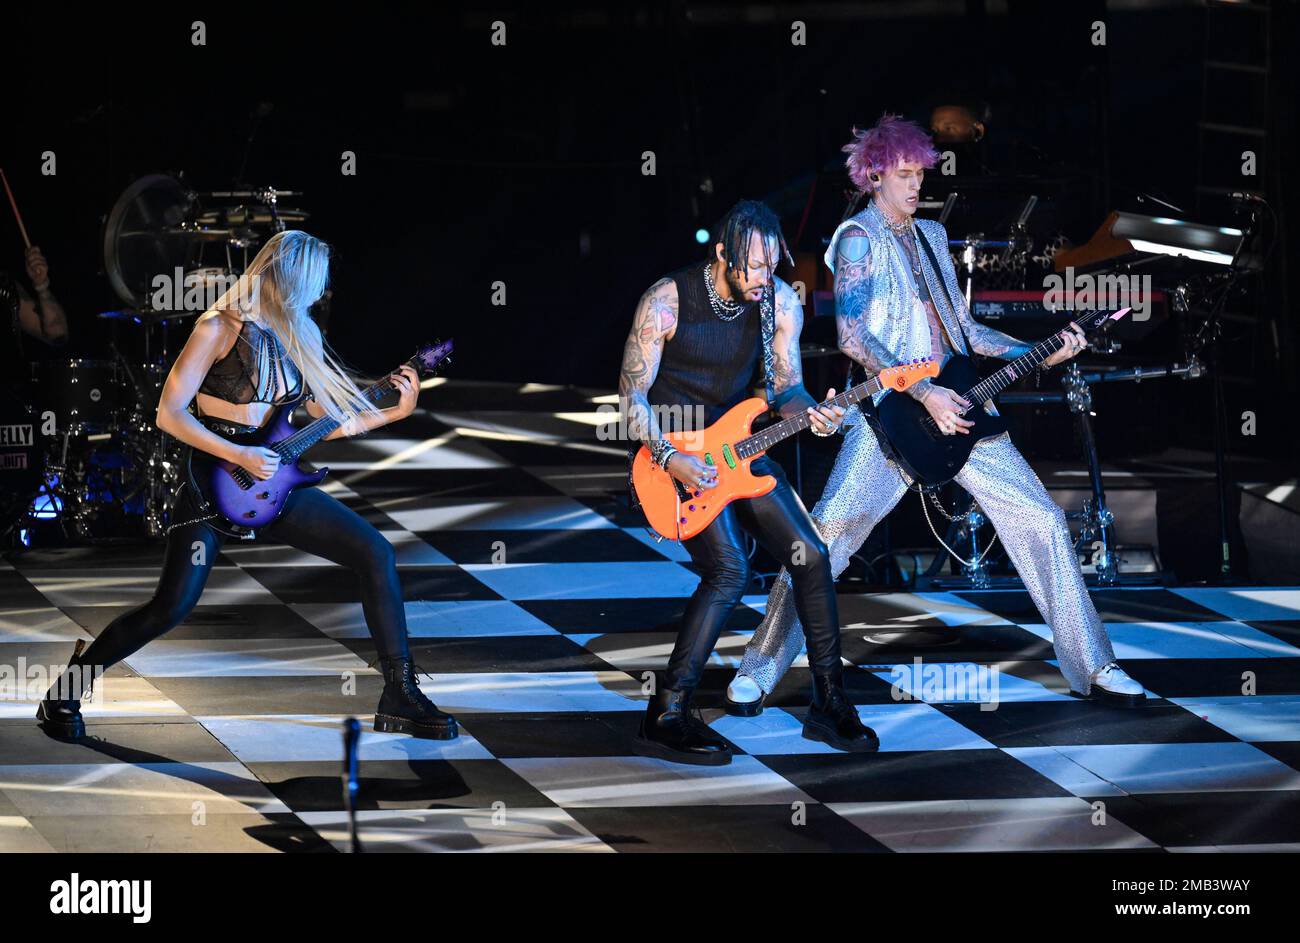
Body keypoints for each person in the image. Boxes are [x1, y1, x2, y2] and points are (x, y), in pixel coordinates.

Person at [725, 116, 1145, 714]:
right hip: (891, 414)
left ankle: (1095, 665)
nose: (918, 182)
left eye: (921, 171)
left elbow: (965, 331)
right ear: (874, 176)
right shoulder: (856, 239)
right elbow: (850, 336)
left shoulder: (933, 238)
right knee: (823, 539)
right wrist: (923, 393)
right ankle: (758, 669)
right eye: (905, 174)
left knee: (1044, 522)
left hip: (964, 403)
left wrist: (1038, 350)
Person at [36, 231, 458, 741]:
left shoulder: (298, 330)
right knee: (169, 608)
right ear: (284, 277)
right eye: (309, 285)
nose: (315, 297)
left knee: (375, 553)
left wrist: (393, 412)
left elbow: (327, 420)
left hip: (273, 481)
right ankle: (67, 689)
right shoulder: (218, 327)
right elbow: (168, 415)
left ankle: (400, 691)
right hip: (212, 479)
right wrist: (237, 453)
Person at [618, 199, 879, 766]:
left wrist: (816, 413)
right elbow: (630, 398)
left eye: (771, 265)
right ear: (722, 255)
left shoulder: (781, 304)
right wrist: (668, 456)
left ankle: (828, 702)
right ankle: (666, 711)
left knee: (811, 554)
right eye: (753, 267)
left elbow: (787, 392)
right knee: (730, 569)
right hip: (675, 451)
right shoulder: (667, 300)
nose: (765, 278)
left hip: (740, 448)